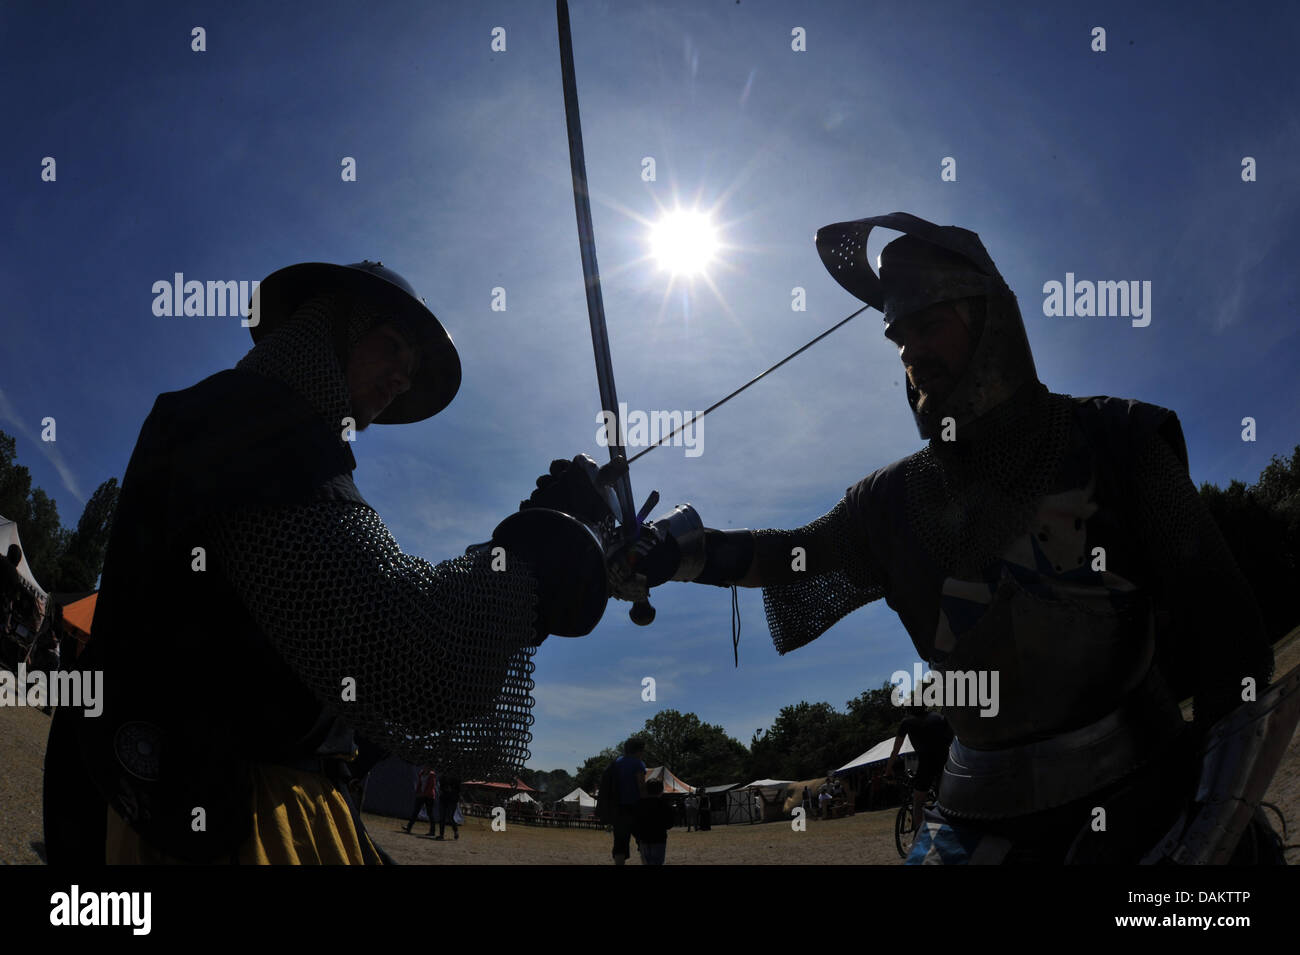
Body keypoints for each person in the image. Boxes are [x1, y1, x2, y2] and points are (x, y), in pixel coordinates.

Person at [614, 213, 1281, 864]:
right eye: (900, 341)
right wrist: (680, 551)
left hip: (1141, 778)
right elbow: (793, 555)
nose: (913, 355)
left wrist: (1212, 825)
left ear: (990, 321)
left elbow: (1233, 642)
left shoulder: (1115, 440)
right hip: (973, 803)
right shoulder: (892, 499)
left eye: (928, 326)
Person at [42, 260, 609, 865]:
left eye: (411, 369)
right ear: (328, 328)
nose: (399, 378)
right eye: (392, 347)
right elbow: (398, 643)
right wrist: (537, 552)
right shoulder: (250, 424)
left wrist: (531, 553)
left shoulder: (266, 434)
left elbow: (344, 667)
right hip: (211, 803)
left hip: (277, 794)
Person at [884, 702, 953, 834]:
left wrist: (888, 770)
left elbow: (895, 750)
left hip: (926, 763)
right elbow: (951, 736)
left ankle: (920, 835)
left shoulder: (906, 722)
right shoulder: (938, 717)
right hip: (945, 760)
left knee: (918, 802)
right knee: (945, 798)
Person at [610, 738, 647, 864]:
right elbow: (641, 787)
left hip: (619, 809)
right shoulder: (638, 763)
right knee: (643, 840)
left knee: (620, 844)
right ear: (638, 750)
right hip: (635, 807)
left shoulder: (616, 763)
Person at [634, 778, 673, 865]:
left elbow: (635, 823)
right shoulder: (664, 805)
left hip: (643, 839)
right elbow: (669, 824)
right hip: (659, 838)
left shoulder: (639, 804)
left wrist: (638, 838)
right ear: (661, 791)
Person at [403, 766, 438, 836]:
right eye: (425, 767)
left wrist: (423, 794)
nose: (425, 768)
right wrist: (418, 792)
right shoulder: (421, 773)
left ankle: (432, 831)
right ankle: (409, 828)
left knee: (430, 814)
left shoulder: (432, 775)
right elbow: (420, 784)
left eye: (427, 767)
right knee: (415, 811)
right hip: (421, 795)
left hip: (429, 796)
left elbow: (431, 787)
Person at [436, 775, 461, 840]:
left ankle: (455, 831)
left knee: (450, 817)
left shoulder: (456, 778)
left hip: (452, 800)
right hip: (444, 799)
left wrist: (452, 791)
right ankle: (441, 835)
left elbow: (459, 790)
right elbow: (441, 787)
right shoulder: (442, 777)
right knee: (442, 817)